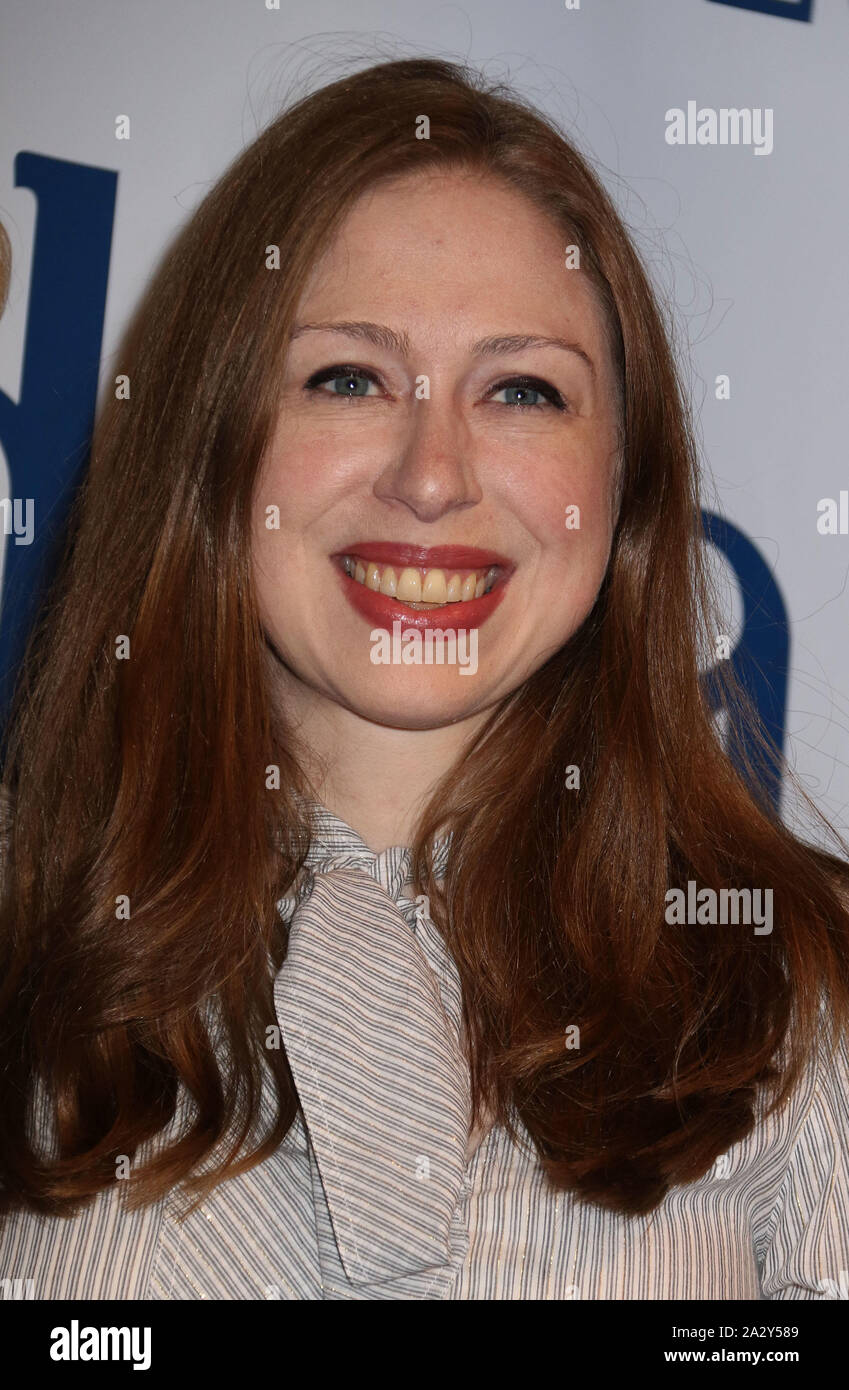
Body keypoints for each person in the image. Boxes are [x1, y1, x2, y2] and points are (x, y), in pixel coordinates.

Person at [1, 55, 848, 1302]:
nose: (434, 473)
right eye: (347, 375)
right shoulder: (26, 923)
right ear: (209, 444)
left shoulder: (805, 990)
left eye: (522, 389)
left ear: (626, 489)